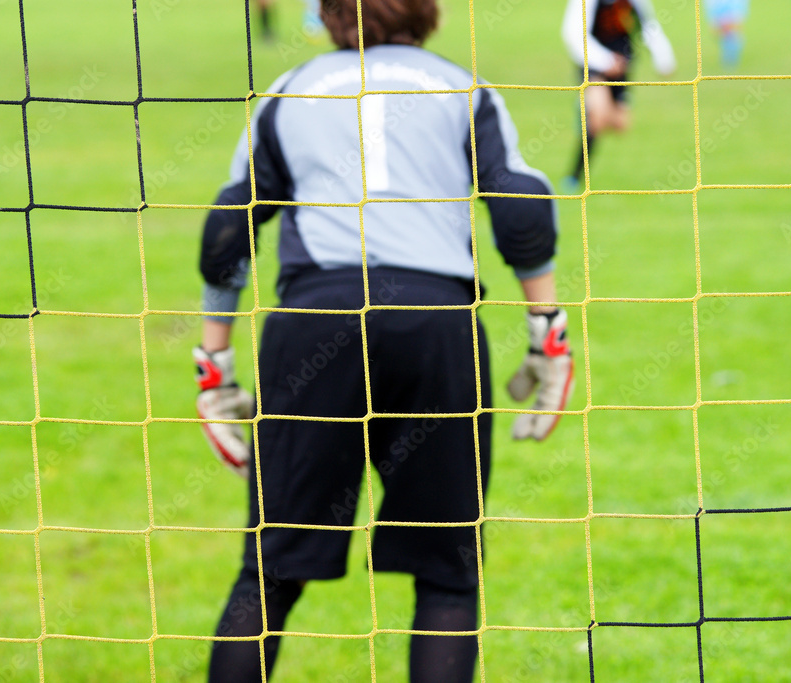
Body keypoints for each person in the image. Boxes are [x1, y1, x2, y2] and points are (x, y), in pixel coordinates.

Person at [192, 1, 574, 681]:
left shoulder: (287, 91)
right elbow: (520, 205)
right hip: (435, 329)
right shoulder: (464, 87)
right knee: (448, 575)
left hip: (316, 323)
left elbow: (228, 229)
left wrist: (213, 364)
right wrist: (549, 335)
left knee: (269, 572)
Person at [560, 0, 676, 190]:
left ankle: (588, 111)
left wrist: (664, 59)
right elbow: (573, 34)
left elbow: (648, 25)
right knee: (597, 119)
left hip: (623, 65)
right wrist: (605, 61)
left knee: (620, 124)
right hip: (593, 64)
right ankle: (574, 177)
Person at [704, 0, 748, 69]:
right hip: (718, 8)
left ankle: (731, 60)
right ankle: (729, 60)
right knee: (726, 34)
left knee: (732, 34)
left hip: (733, 8)